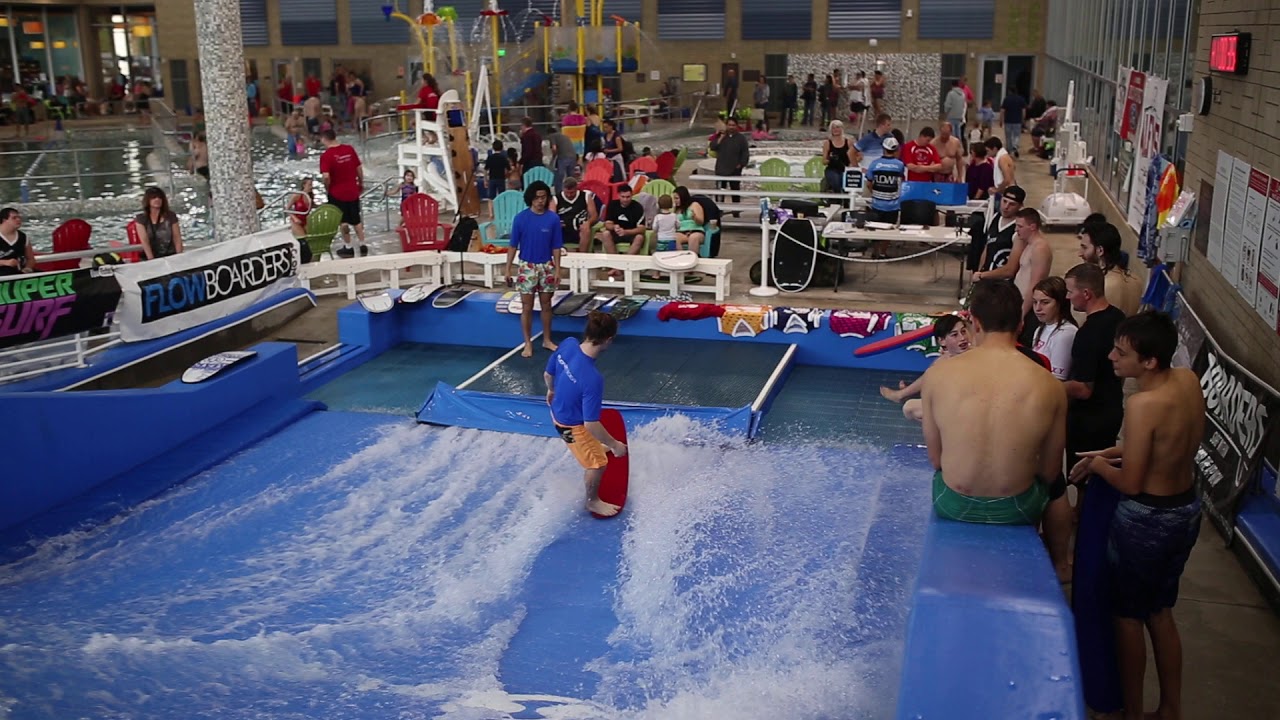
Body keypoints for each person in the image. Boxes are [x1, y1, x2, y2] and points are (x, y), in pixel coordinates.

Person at [1067, 312, 1205, 720]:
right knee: (1160, 612)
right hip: (1185, 510)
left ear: (1149, 361)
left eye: (1121, 353)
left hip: (1146, 521)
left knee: (1127, 618)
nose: (1111, 356)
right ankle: (1170, 709)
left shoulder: (1143, 404)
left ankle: (1130, 712)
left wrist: (1096, 467)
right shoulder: (1187, 381)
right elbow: (1166, 446)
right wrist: (1107, 453)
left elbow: (1129, 483)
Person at [922, 279, 1067, 524]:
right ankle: (1060, 559)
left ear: (975, 323)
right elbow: (1050, 471)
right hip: (1017, 507)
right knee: (1054, 486)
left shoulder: (936, 375)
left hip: (954, 504)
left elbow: (936, 461)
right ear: (1021, 324)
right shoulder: (1050, 385)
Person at [544, 310, 628, 517]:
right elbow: (591, 424)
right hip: (568, 426)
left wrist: (551, 390)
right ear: (608, 340)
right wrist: (615, 445)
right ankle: (592, 501)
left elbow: (547, 373)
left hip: (556, 409)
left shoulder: (569, 343)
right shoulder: (592, 378)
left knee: (592, 442)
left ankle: (594, 446)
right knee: (598, 464)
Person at [505, 181, 563, 359]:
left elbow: (556, 246)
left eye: (543, 197)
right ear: (530, 198)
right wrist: (507, 269)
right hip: (526, 266)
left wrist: (558, 270)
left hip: (546, 266)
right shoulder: (521, 218)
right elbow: (513, 246)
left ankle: (547, 339)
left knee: (547, 305)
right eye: (537, 197)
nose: (540, 201)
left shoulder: (553, 219)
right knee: (526, 307)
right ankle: (528, 342)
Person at [880, 314, 971, 421]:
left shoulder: (970, 358)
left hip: (970, 413)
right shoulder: (946, 359)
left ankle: (946, 433)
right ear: (942, 341)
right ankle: (902, 395)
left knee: (909, 408)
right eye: (955, 335)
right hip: (962, 406)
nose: (963, 338)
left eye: (963, 332)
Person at [319, 128, 367, 257]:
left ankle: (348, 246)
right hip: (352, 190)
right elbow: (359, 168)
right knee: (356, 219)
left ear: (324, 139)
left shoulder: (326, 156)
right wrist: (361, 183)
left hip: (337, 193)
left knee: (343, 221)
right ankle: (363, 244)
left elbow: (326, 176)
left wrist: (327, 188)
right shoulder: (349, 149)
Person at [1078, 221, 1142, 316]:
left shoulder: (1101, 286)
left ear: (1100, 250)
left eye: (1084, 247)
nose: (1080, 253)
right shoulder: (1137, 280)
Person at [1013, 208, 1054, 345]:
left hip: (1029, 306)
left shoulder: (1040, 248)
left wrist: (1021, 314)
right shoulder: (1029, 245)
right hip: (1021, 301)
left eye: (1020, 226)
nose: (1016, 230)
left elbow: (1035, 283)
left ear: (1032, 227)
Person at [1030, 276, 1078, 381]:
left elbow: (1057, 380)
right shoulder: (1040, 328)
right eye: (1035, 302)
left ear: (1060, 303)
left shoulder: (1066, 333)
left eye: (1045, 302)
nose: (1037, 308)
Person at [866, 137, 906, 258]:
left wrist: (875, 193)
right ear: (896, 150)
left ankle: (875, 251)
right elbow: (901, 181)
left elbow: (869, 183)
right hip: (892, 205)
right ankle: (883, 252)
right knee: (889, 230)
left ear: (883, 148)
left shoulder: (874, 164)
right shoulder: (899, 165)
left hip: (877, 203)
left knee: (875, 229)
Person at [973, 186, 1025, 277]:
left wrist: (983, 275)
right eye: (1004, 201)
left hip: (1002, 283)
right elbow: (987, 248)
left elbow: (1011, 269)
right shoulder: (995, 217)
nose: (1006, 207)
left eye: (1012, 204)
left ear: (1020, 206)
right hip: (986, 276)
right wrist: (980, 271)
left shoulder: (1018, 230)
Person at [595, 184, 647, 257]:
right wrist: (614, 227)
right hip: (616, 233)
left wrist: (626, 232)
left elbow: (642, 228)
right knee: (605, 234)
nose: (625, 199)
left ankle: (625, 263)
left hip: (631, 233)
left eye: (628, 197)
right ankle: (615, 262)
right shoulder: (613, 205)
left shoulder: (637, 207)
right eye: (623, 197)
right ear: (619, 195)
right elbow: (607, 224)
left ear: (631, 195)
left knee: (640, 237)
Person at [134, 187, 184, 261]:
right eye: (153, 197)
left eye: (160, 197)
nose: (157, 199)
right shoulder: (141, 219)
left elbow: (177, 238)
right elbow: (145, 241)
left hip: (171, 255)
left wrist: (179, 257)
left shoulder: (170, 216)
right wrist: (151, 260)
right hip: (151, 257)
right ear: (148, 200)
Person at [708, 117, 750, 204]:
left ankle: (736, 212)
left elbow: (745, 153)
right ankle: (719, 210)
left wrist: (741, 164)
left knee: (735, 192)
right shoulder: (720, 137)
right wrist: (721, 137)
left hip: (735, 170)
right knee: (720, 192)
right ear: (726, 125)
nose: (731, 127)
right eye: (729, 125)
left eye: (733, 125)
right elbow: (713, 147)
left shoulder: (741, 138)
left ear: (736, 126)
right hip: (721, 169)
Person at [552, 177, 597, 253]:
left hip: (579, 229)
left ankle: (582, 256)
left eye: (572, 192)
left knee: (586, 229)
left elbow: (594, 215)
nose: (569, 195)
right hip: (563, 230)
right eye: (567, 192)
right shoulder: (556, 198)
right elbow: (551, 216)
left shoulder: (586, 196)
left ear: (577, 188)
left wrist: (588, 223)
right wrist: (556, 223)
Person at [673, 185, 709, 259]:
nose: (675, 200)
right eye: (674, 198)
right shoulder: (677, 209)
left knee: (693, 237)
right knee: (674, 237)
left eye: (677, 198)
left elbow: (701, 222)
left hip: (696, 231)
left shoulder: (694, 205)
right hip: (682, 232)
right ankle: (681, 259)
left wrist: (695, 218)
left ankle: (691, 260)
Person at [822, 120, 857, 194]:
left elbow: (859, 156)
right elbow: (824, 161)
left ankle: (845, 201)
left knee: (845, 182)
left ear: (842, 129)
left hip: (845, 168)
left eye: (837, 127)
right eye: (833, 128)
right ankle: (836, 199)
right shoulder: (827, 143)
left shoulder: (849, 142)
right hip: (832, 169)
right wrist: (830, 159)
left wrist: (852, 164)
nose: (835, 130)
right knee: (836, 181)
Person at [0, 208, 37, 275]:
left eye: (19, 217)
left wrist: (28, 268)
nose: (18, 220)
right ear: (4, 220)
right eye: (14, 218)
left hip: (20, 273)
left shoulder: (23, 237)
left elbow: (30, 259)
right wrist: (5, 262)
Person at [288, 177, 315, 263]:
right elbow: (287, 209)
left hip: (305, 220)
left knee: (310, 241)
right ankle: (302, 259)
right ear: (304, 185)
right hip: (296, 221)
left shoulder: (310, 197)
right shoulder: (297, 195)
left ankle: (308, 259)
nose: (311, 187)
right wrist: (294, 218)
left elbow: (313, 206)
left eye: (312, 185)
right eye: (310, 185)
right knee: (302, 240)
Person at [548, 126, 577, 193]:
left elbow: (554, 148)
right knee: (571, 176)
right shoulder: (564, 136)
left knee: (559, 176)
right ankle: (573, 190)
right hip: (573, 156)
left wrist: (554, 156)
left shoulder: (552, 136)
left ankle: (558, 192)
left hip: (563, 157)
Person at [1000, 89, 1028, 157]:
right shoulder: (1021, 99)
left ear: (1010, 91)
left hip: (1008, 120)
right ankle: (1015, 145)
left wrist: (1001, 120)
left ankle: (1009, 150)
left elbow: (1002, 110)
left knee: (1008, 136)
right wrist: (1023, 119)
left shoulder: (1007, 99)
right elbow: (1023, 110)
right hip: (1017, 121)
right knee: (1017, 135)